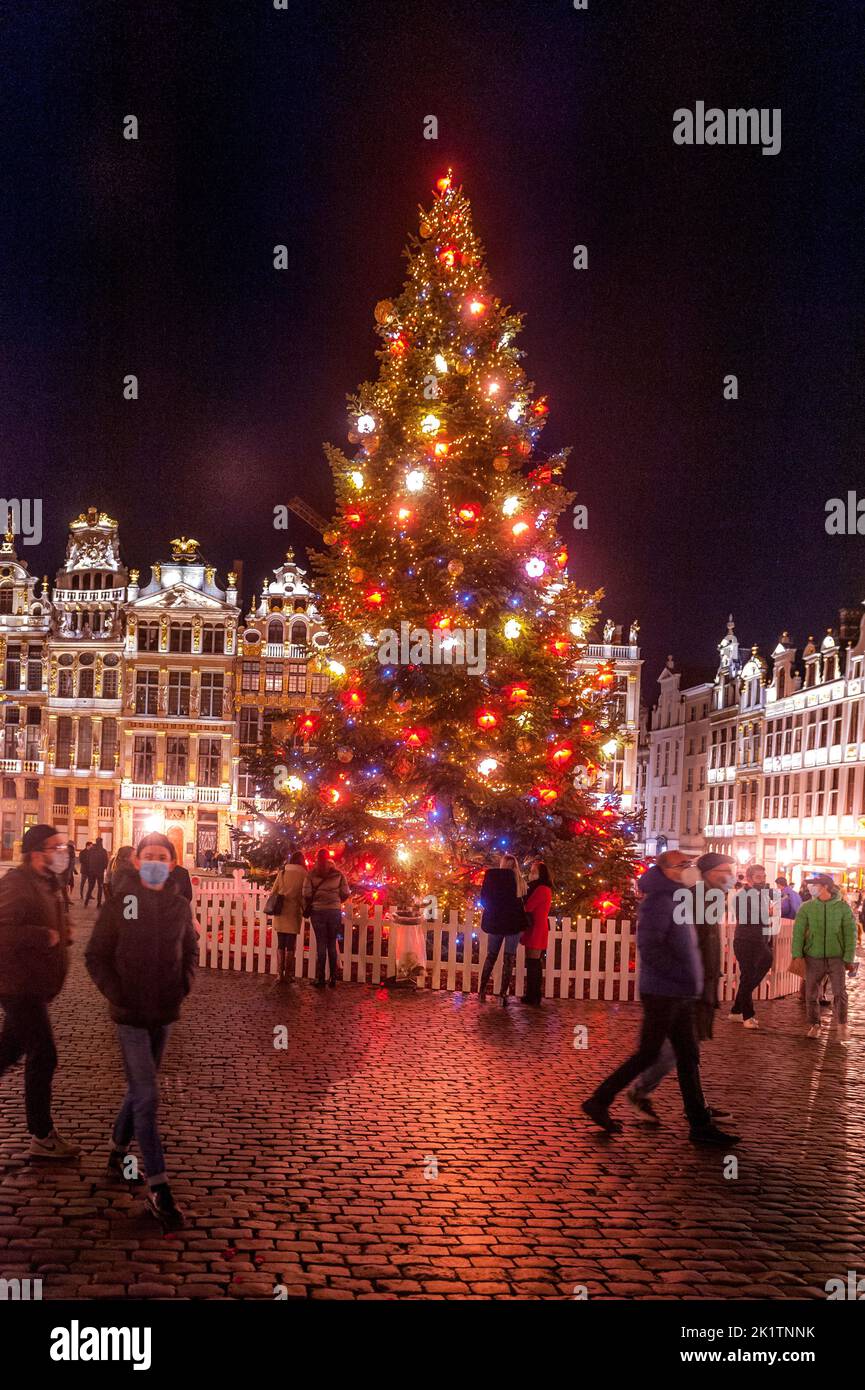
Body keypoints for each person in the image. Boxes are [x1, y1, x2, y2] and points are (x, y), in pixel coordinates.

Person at [582, 850, 739, 1146]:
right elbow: (650, 947)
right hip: (663, 990)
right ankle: (600, 1100)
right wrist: (681, 974)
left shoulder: (677, 898)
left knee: (688, 1056)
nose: (687, 869)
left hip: (680, 990)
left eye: (688, 865)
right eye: (682, 865)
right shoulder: (658, 901)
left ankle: (699, 1125)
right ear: (667, 869)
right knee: (649, 1053)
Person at [85, 832, 198, 1231]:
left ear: (171, 863)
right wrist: (118, 993)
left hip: (164, 1013)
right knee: (148, 1095)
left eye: (161, 856)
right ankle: (159, 1189)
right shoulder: (119, 904)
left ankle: (118, 1150)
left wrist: (183, 984)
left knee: (139, 1088)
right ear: (136, 861)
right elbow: (95, 955)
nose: (154, 861)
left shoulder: (179, 905)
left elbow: (190, 950)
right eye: (147, 855)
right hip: (131, 1014)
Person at [626, 852, 735, 1125]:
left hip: (697, 981)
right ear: (709, 871)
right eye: (724, 870)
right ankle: (639, 1093)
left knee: (686, 1049)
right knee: (674, 1050)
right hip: (683, 984)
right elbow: (680, 942)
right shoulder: (696, 897)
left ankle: (697, 1108)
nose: (729, 875)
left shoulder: (712, 896)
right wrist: (689, 976)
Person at [0, 824, 79, 1158]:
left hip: (34, 984)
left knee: (8, 1051)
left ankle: (42, 1134)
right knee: (44, 1055)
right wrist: (41, 936)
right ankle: (42, 1135)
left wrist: (64, 931)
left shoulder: (47, 881)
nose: (63, 853)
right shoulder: (16, 884)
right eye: (56, 847)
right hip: (19, 986)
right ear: (36, 852)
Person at [792, 874, 857, 1043]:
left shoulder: (843, 908)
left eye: (815, 885)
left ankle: (842, 1024)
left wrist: (848, 957)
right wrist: (797, 954)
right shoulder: (806, 907)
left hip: (837, 957)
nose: (811, 888)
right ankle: (814, 1024)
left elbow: (851, 934)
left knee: (839, 992)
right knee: (811, 993)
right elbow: (798, 932)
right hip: (813, 956)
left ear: (825, 887)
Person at [477, 853, 527, 1006]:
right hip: (514, 923)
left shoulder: (492, 877)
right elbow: (522, 902)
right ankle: (502, 994)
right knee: (508, 959)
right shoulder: (519, 880)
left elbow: (484, 898)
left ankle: (482, 990)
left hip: (496, 922)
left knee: (491, 956)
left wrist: (493, 910)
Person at [730, 863, 775, 1029]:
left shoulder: (762, 895)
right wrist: (766, 913)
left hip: (759, 939)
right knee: (748, 975)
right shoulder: (741, 896)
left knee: (750, 975)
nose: (762, 880)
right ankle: (747, 1015)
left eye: (763, 877)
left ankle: (736, 1010)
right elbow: (745, 917)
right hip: (745, 940)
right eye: (758, 877)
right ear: (748, 879)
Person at [302, 850, 350, 988]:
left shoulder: (311, 874)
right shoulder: (338, 874)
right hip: (334, 911)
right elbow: (345, 892)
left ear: (317, 858)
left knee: (321, 944)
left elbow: (306, 893)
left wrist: (316, 900)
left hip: (318, 911)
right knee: (331, 943)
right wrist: (336, 901)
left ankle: (321, 977)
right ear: (329, 858)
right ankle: (333, 978)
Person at [271, 851, 308, 982]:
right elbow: (305, 894)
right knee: (290, 944)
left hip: (281, 911)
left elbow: (274, 891)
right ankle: (288, 974)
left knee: (281, 943)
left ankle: (279, 973)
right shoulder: (304, 874)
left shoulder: (282, 872)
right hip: (293, 911)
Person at [520, 858, 553, 1006]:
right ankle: (533, 994)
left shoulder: (541, 889)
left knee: (533, 963)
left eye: (534, 871)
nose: (531, 874)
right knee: (533, 962)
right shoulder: (540, 888)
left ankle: (533, 995)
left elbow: (529, 906)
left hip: (537, 928)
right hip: (536, 927)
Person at [85, 836, 109, 908]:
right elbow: (106, 862)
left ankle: (86, 902)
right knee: (100, 887)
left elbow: (87, 860)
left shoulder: (91, 850)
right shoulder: (103, 851)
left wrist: (90, 868)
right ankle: (98, 903)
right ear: (101, 842)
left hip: (92, 871)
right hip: (99, 872)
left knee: (90, 887)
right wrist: (104, 868)